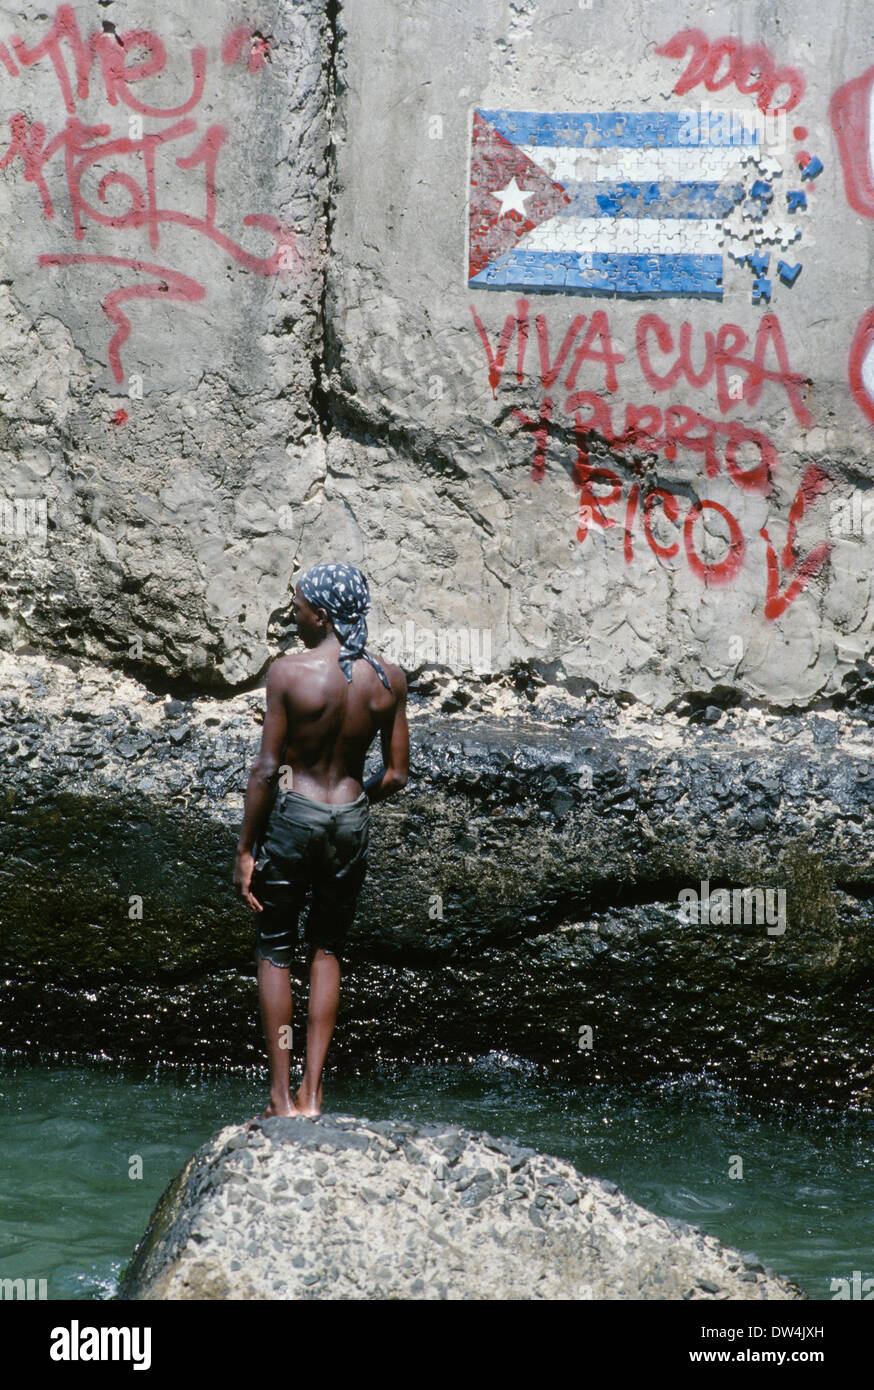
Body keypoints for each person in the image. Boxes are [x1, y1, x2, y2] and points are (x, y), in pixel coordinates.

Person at [234, 562, 408, 1119]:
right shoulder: (389, 678)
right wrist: (350, 809)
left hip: (295, 817)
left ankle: (280, 1099)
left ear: (323, 615)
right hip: (350, 817)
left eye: (301, 606)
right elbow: (397, 774)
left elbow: (265, 771)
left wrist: (246, 849)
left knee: (276, 949)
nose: (295, 615)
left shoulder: (289, 673)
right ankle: (314, 1095)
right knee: (327, 948)